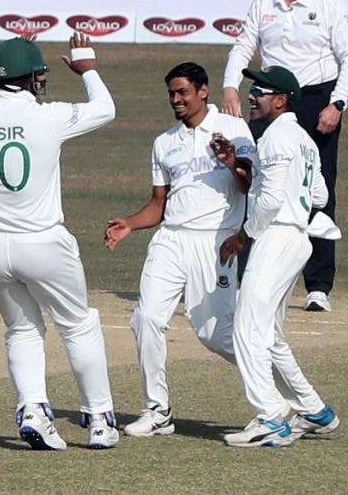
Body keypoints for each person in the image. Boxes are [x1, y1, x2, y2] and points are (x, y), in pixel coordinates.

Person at [0, 33, 120, 451]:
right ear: (30, 80)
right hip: (43, 241)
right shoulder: (49, 117)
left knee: (22, 329)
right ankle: (100, 420)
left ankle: (33, 410)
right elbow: (106, 108)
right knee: (79, 324)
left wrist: (3, 65)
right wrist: (88, 70)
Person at [103, 62, 256, 438]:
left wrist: (232, 161)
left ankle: (275, 399)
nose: (176, 100)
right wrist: (130, 224)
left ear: (203, 91)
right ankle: (157, 410)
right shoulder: (164, 142)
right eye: (171, 94)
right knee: (147, 319)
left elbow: (251, 185)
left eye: (182, 92)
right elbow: (159, 203)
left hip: (214, 240)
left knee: (215, 335)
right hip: (170, 240)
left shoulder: (234, 129)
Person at [222, 0, 348, 313]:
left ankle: (318, 286)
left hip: (317, 100)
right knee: (252, 180)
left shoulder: (329, 4)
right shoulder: (263, 3)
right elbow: (243, 47)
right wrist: (230, 87)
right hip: (271, 101)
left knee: (317, 189)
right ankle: (246, 274)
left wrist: (338, 103)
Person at [219, 66, 340, 448]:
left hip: (276, 238)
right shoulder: (303, 140)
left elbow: (270, 200)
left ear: (281, 99)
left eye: (260, 91)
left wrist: (244, 235)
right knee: (268, 335)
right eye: (252, 89)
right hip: (297, 239)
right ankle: (314, 410)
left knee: (247, 329)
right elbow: (318, 195)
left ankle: (270, 418)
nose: (251, 96)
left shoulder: (274, 138)